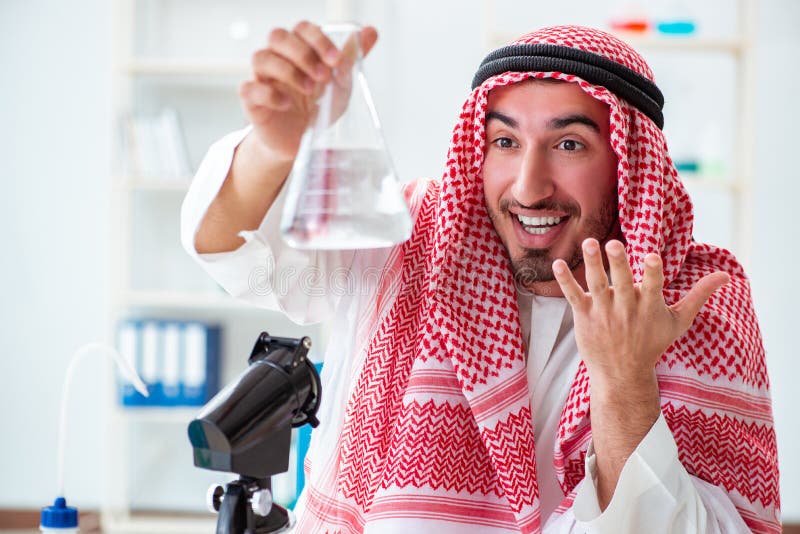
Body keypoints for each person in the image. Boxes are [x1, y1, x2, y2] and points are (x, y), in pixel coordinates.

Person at [180, 22, 780, 533]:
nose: (527, 185)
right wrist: (274, 148)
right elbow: (233, 250)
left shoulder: (692, 306)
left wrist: (624, 381)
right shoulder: (409, 242)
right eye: (504, 142)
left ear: (629, 169)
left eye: (569, 144)